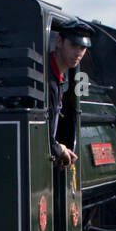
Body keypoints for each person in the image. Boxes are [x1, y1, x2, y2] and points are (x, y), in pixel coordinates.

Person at [48, 20, 93, 166]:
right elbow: (41, 136)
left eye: (82, 48)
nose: (78, 53)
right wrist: (58, 150)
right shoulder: (46, 80)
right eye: (73, 45)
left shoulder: (59, 78)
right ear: (59, 42)